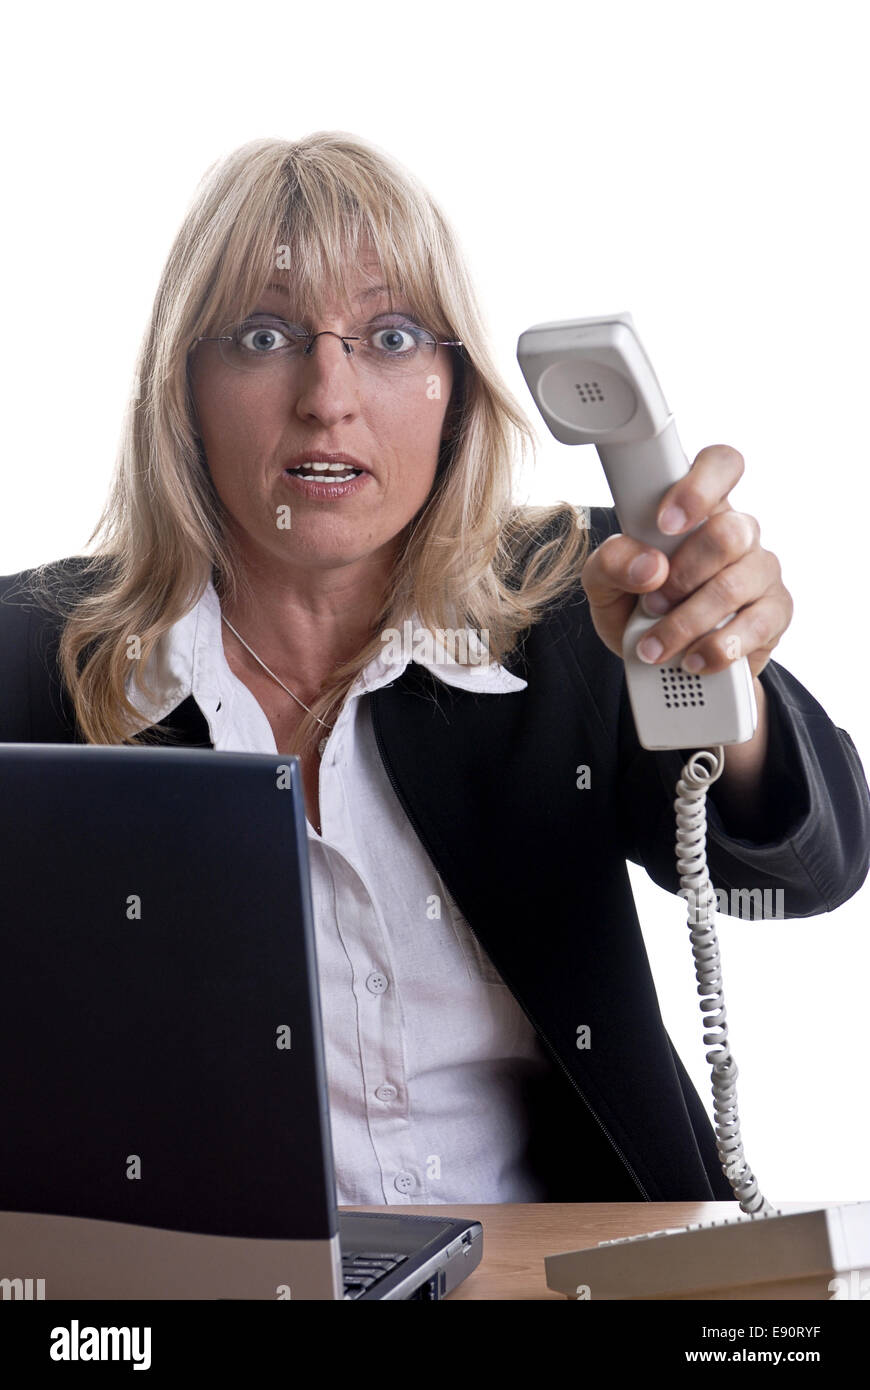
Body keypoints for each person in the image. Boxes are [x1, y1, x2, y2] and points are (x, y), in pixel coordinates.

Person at [1, 132, 868, 1206]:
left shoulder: (575, 602)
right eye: (264, 334)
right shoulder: (33, 656)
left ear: (456, 389)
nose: (328, 394)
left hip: (561, 1277)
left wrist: (717, 674)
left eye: (392, 335)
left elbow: (809, 876)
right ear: (181, 387)